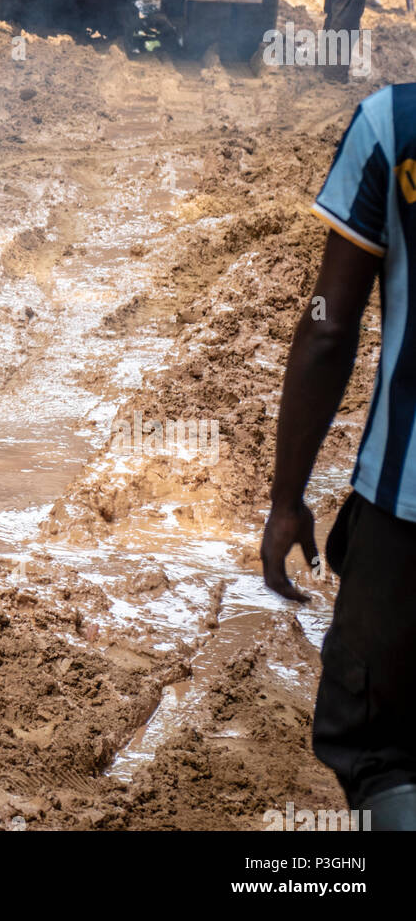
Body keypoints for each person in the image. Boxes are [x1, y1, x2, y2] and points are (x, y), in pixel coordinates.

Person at [261, 83, 416, 829]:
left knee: (383, 751)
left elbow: (328, 324)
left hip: (404, 511)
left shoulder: (393, 124)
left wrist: (286, 499)